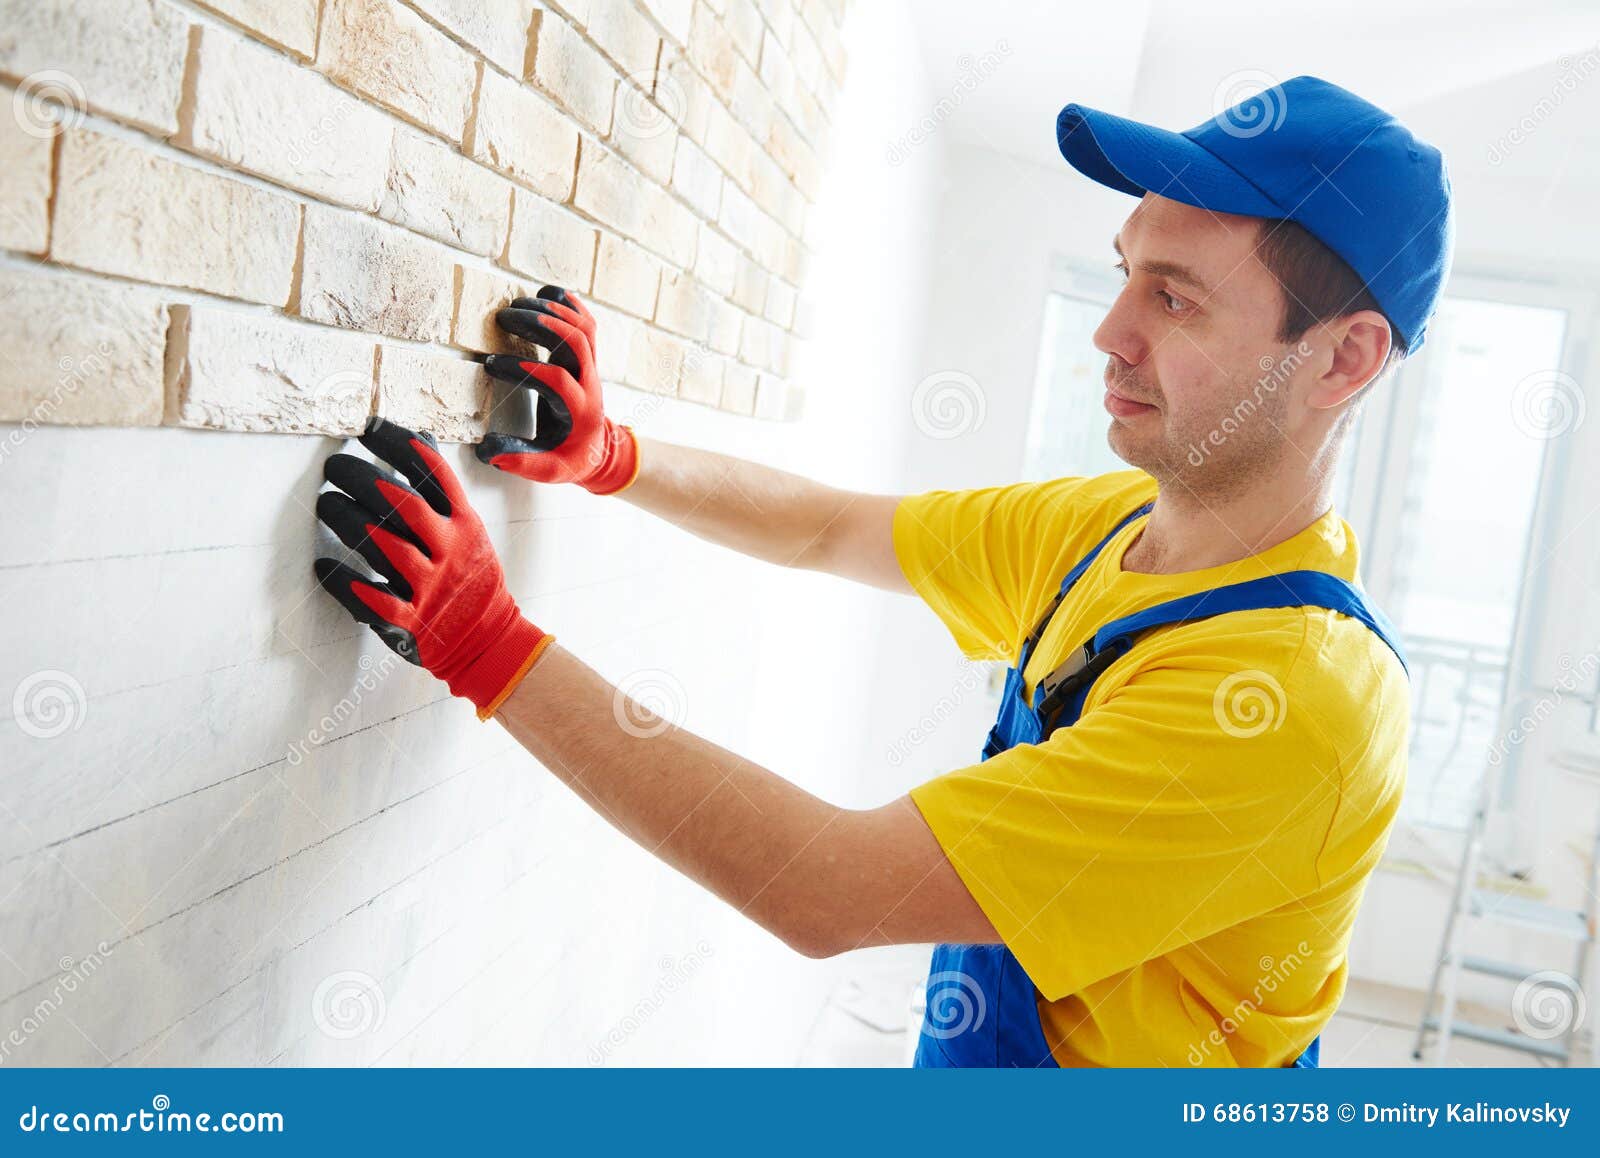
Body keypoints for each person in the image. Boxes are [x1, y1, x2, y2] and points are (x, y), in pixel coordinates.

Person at [313, 74, 1453, 1067]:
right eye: (1125, 273)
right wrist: (613, 458)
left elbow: (829, 889)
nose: (1109, 332)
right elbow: (829, 530)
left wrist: (485, 643)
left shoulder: (1290, 702)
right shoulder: (1115, 529)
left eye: (1173, 295)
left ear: (1341, 359)